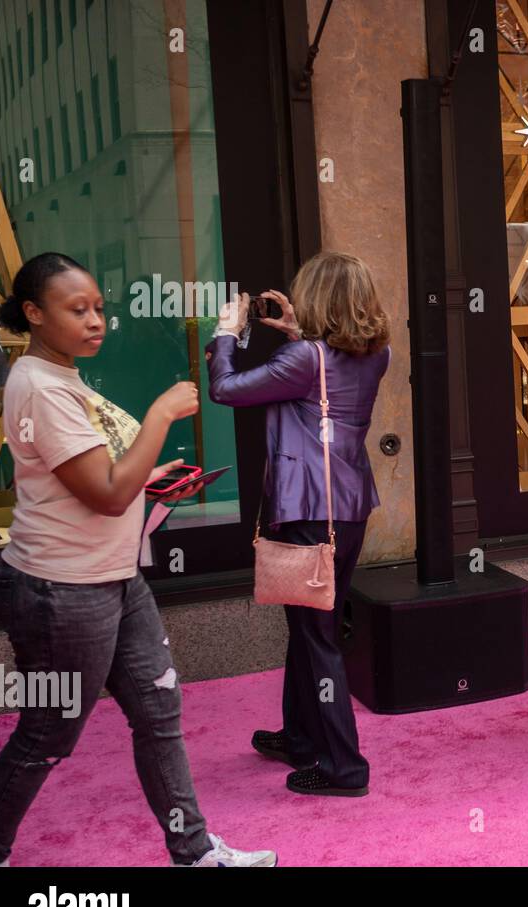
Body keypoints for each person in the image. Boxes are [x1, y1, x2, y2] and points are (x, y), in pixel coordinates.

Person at [0, 252, 275, 867]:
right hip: (63, 588)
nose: (96, 322)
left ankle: (193, 851)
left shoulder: (63, 375)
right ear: (33, 314)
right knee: (48, 734)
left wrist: (151, 478)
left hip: (113, 578)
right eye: (76, 309)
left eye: (99, 309)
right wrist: (163, 415)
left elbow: (110, 478)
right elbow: (108, 495)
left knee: (158, 711)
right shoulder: (38, 386)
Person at [207, 252, 390, 797]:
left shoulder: (305, 359)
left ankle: (342, 768)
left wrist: (226, 335)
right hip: (347, 506)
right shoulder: (374, 354)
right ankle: (300, 737)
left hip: (307, 507)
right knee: (311, 629)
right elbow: (322, 371)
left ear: (316, 299)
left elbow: (226, 389)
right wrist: (297, 334)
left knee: (317, 637)